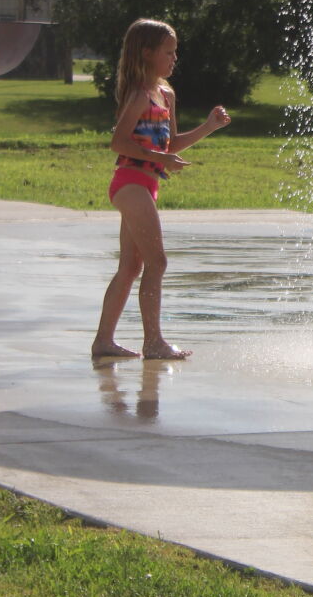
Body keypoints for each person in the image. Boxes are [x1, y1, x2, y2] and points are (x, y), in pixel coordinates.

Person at [90, 19, 230, 362]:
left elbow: (171, 143)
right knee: (158, 261)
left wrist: (209, 127)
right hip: (130, 182)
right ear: (147, 53)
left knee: (130, 267)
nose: (174, 58)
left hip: (147, 185)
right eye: (168, 52)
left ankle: (103, 342)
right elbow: (118, 142)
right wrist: (159, 158)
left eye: (175, 52)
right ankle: (153, 342)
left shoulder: (165, 93)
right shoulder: (139, 94)